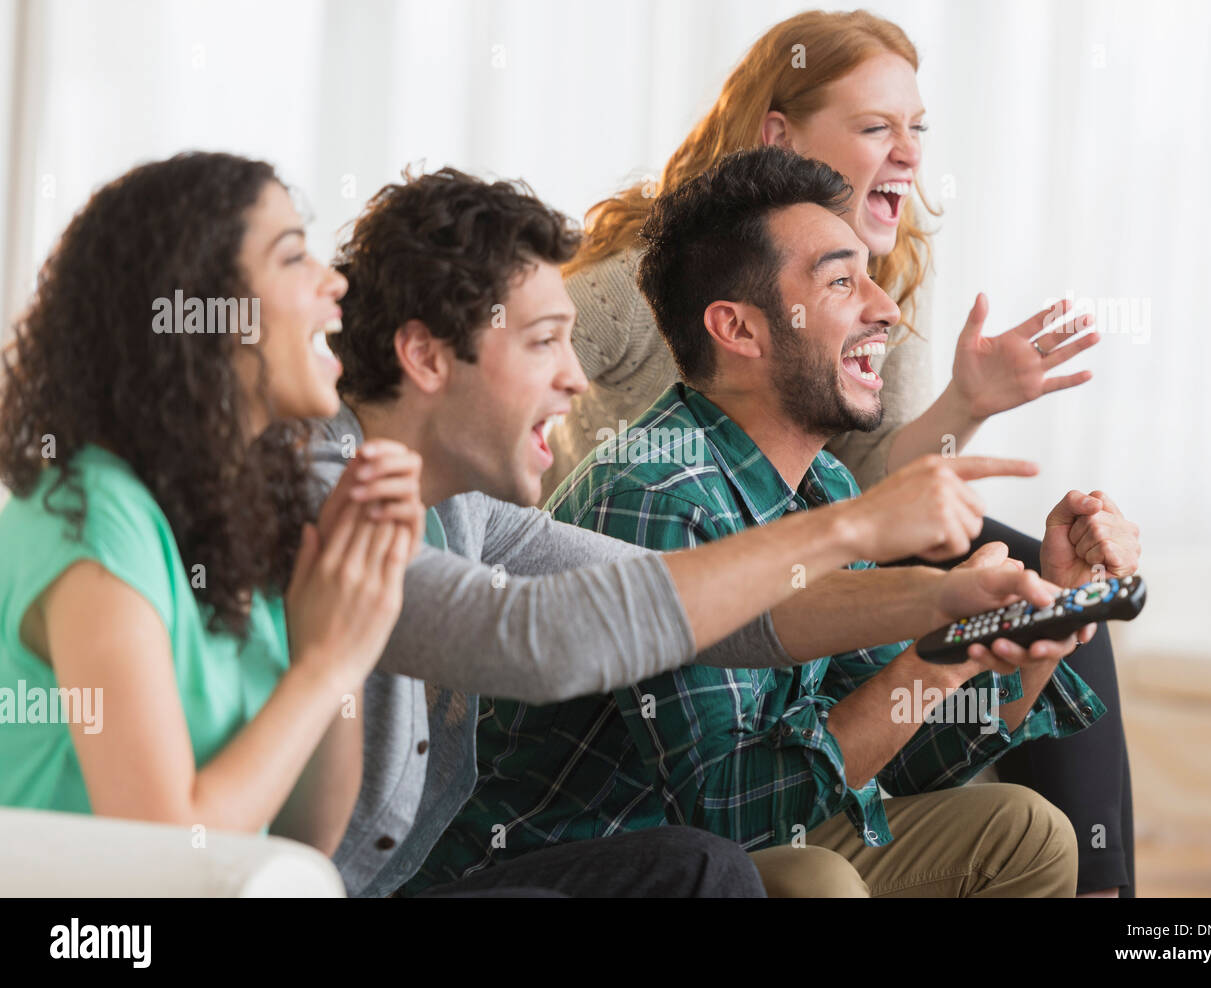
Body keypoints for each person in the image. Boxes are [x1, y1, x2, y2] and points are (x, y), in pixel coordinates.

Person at [310, 165, 1058, 898]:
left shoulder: (468, 511)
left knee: (1022, 831)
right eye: (544, 342)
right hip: (430, 875)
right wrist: (856, 527)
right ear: (425, 355)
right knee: (736, 871)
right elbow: (532, 634)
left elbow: (713, 616)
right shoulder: (325, 493)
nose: (576, 378)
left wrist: (947, 611)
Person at [544, 9, 1134, 896]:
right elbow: (731, 820)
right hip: (621, 847)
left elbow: (897, 752)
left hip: (747, 817)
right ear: (738, 329)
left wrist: (1029, 635)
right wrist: (941, 642)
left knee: (1026, 831)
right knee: (818, 874)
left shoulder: (820, 481)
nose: (887, 310)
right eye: (842, 283)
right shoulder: (658, 487)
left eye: (916, 128)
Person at [0, 152, 420, 854]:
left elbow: (303, 835)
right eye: (292, 258)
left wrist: (341, 646)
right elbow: (166, 853)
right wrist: (321, 671)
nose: (334, 281)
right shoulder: (93, 517)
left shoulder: (232, 513)